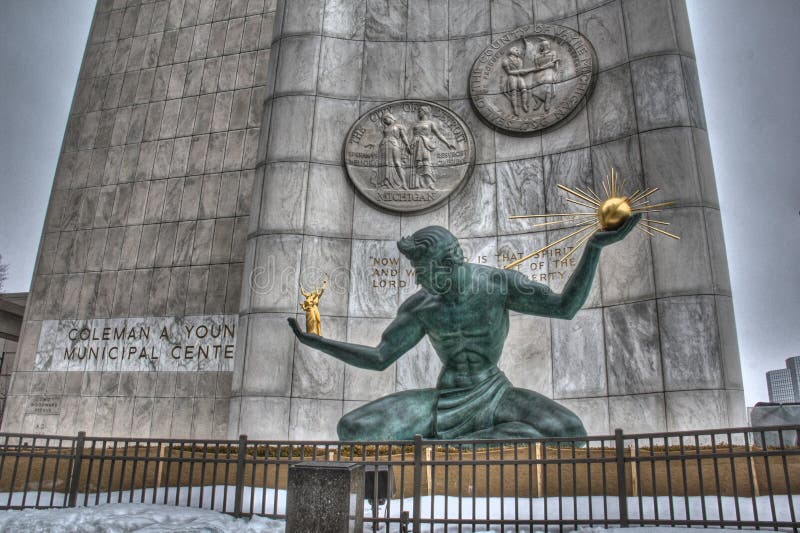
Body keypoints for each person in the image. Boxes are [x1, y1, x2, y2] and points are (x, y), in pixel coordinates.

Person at [288, 216, 641, 441]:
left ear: (447, 263)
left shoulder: (497, 285)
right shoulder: (421, 306)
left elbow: (565, 307)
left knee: (570, 431)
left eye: (422, 268)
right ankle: (495, 440)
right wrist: (318, 342)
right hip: (445, 398)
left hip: (496, 394)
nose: (418, 277)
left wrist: (594, 248)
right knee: (354, 429)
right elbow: (381, 357)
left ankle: (453, 446)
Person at [409, 106, 456, 189]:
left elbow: (438, 134)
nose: (418, 113)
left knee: (426, 163)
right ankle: (418, 184)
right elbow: (410, 136)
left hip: (425, 144)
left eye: (420, 111)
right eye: (418, 111)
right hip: (415, 144)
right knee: (416, 164)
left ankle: (430, 183)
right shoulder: (415, 124)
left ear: (425, 112)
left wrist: (447, 143)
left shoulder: (430, 123)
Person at [378, 112, 411, 189]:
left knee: (397, 163)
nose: (384, 122)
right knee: (385, 163)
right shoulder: (385, 128)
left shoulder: (399, 126)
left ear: (390, 117)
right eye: (383, 121)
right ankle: (385, 182)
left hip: (393, 144)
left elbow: (403, 137)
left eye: (385, 119)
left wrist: (407, 145)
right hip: (384, 145)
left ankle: (404, 183)